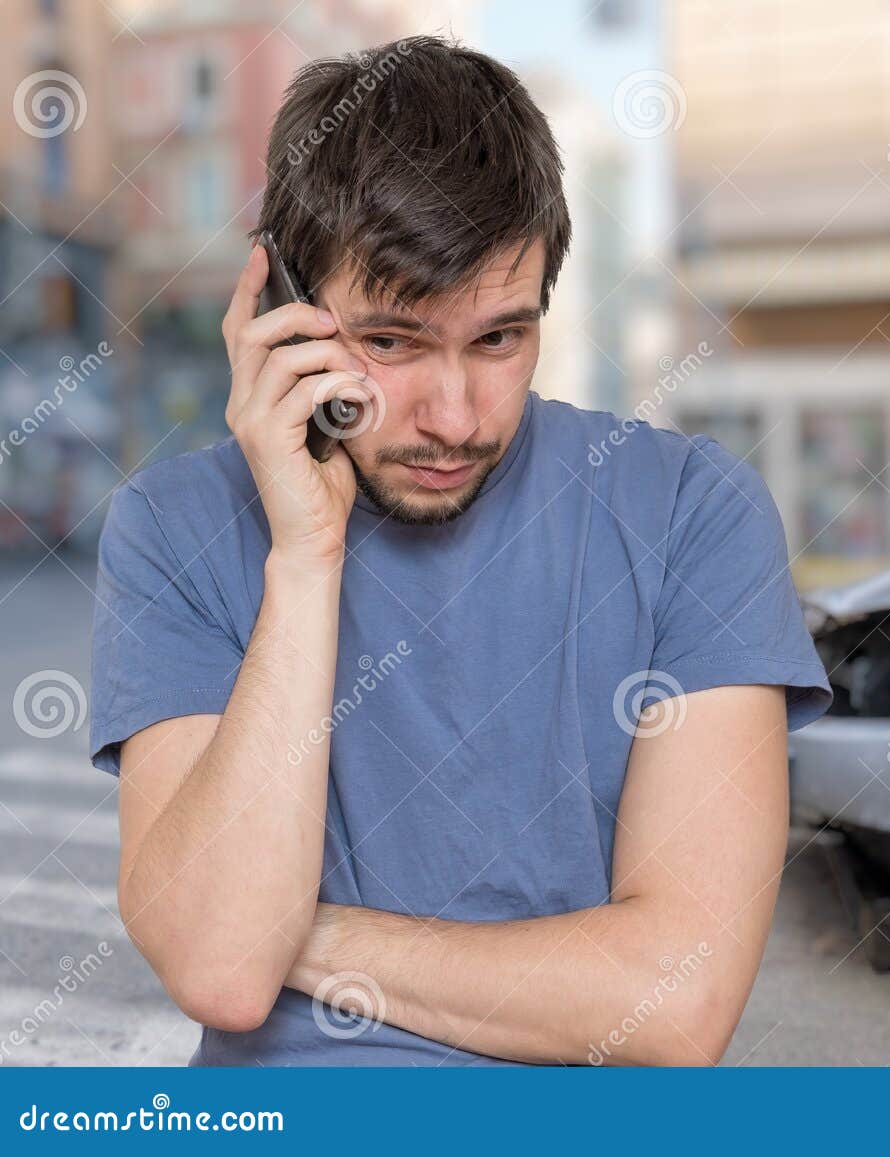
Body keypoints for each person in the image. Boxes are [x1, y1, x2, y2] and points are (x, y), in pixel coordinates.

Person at [88, 35, 830, 1066]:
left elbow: (676, 1003)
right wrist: (304, 557)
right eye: (391, 342)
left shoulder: (692, 512)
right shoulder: (172, 527)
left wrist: (294, 931)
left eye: (497, 339)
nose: (454, 416)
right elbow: (222, 967)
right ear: (283, 311)